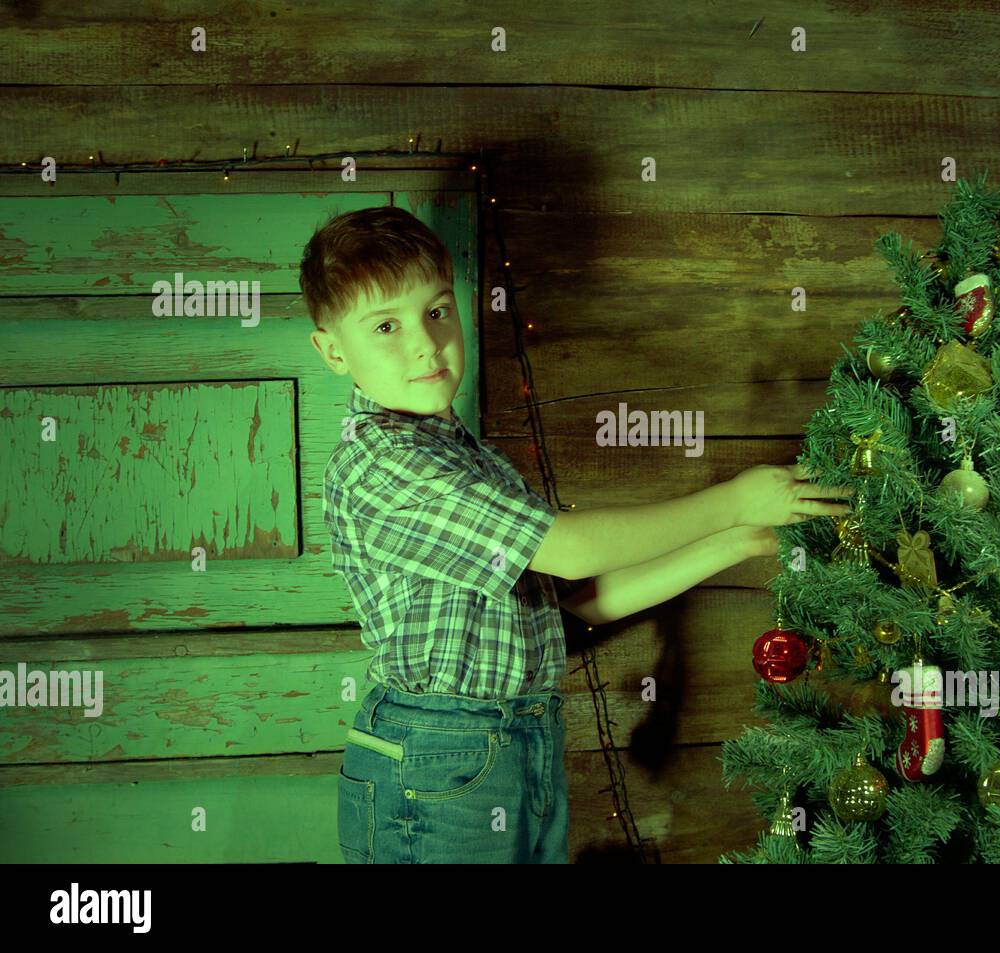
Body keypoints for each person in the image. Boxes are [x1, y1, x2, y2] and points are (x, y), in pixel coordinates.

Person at [299, 205, 853, 863]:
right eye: (386, 325)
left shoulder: (470, 459)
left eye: (438, 311)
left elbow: (581, 600)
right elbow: (569, 548)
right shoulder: (382, 461)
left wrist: (733, 538)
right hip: (438, 755)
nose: (425, 343)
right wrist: (732, 499)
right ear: (333, 350)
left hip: (517, 740)